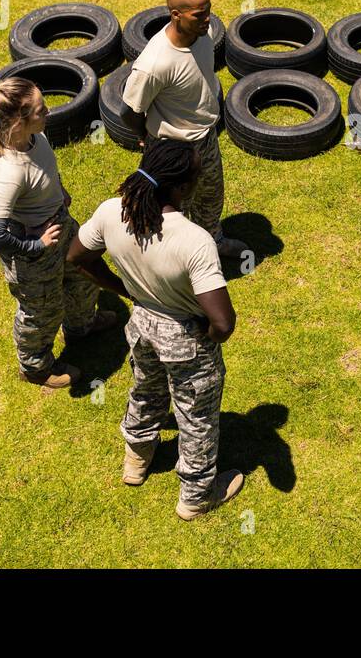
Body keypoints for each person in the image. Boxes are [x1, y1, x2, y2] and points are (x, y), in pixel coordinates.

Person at [67, 139, 244, 521]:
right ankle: (196, 496)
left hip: (142, 325)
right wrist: (206, 339)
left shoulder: (111, 212)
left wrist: (122, 288)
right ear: (181, 188)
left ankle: (136, 459)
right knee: (196, 416)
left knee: (145, 390)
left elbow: (76, 256)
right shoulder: (194, 241)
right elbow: (223, 323)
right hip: (184, 337)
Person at [0, 77, 115, 390]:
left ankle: (81, 326)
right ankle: (35, 367)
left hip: (59, 224)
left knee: (83, 274)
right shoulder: (8, 173)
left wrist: (59, 190)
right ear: (16, 121)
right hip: (35, 256)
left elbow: (47, 167)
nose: (48, 112)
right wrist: (34, 245)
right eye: (40, 110)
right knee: (42, 311)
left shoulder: (33, 137)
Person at [121, 0, 249, 262]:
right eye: (199, 14)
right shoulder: (155, 63)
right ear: (176, 15)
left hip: (205, 137)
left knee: (210, 195)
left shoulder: (203, 35)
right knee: (171, 211)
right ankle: (172, 263)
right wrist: (146, 137)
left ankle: (213, 241)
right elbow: (129, 111)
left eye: (209, 10)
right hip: (171, 148)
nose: (208, 19)